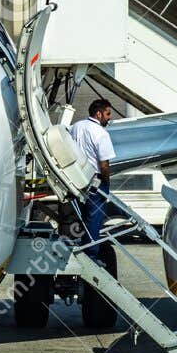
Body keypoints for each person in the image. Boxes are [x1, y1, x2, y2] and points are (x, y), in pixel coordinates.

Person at [67, 99, 116, 249]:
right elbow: (104, 165)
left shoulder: (76, 126)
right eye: (108, 114)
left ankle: (78, 248)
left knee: (80, 219)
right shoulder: (101, 133)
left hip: (76, 177)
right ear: (99, 113)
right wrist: (106, 182)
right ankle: (91, 254)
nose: (109, 118)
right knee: (94, 220)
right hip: (95, 180)